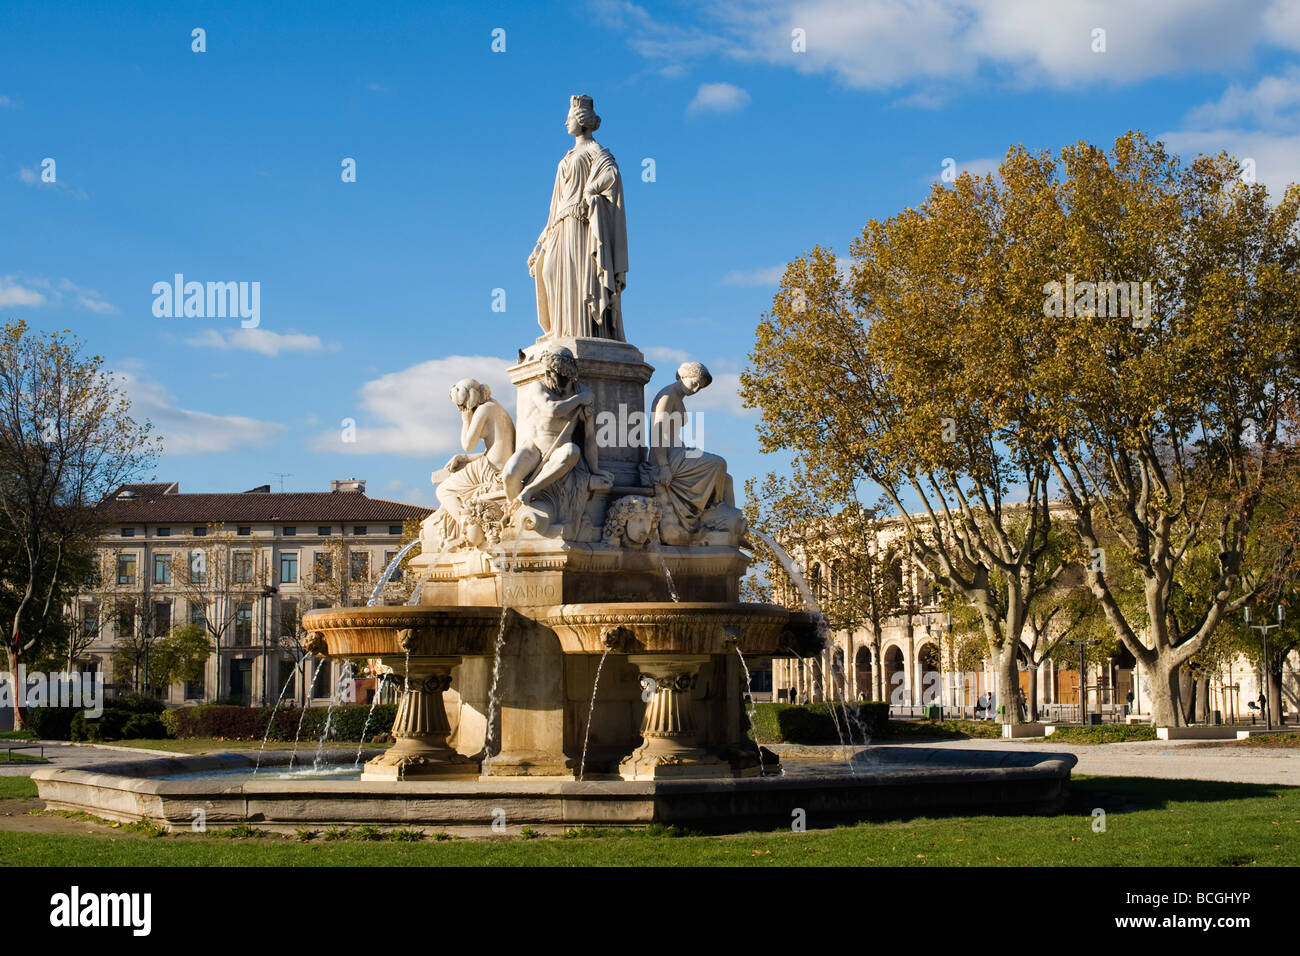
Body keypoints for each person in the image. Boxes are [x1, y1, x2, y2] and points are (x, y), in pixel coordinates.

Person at [528, 94, 627, 340]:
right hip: (560, 224)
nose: (565, 123)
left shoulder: (595, 150)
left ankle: (581, 329)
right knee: (549, 271)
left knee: (577, 277)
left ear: (581, 120)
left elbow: (612, 174)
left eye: (569, 117)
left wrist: (591, 192)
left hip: (580, 225)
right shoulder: (566, 157)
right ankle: (559, 330)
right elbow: (554, 206)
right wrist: (541, 241)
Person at [503, 346, 613, 509]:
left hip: (559, 450)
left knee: (572, 451)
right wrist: (580, 399)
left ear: (568, 375)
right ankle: (515, 510)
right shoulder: (540, 386)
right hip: (534, 448)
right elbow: (551, 409)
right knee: (510, 473)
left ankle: (529, 491)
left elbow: (589, 435)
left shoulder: (580, 391)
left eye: (551, 373)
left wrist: (594, 468)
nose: (547, 376)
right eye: (548, 373)